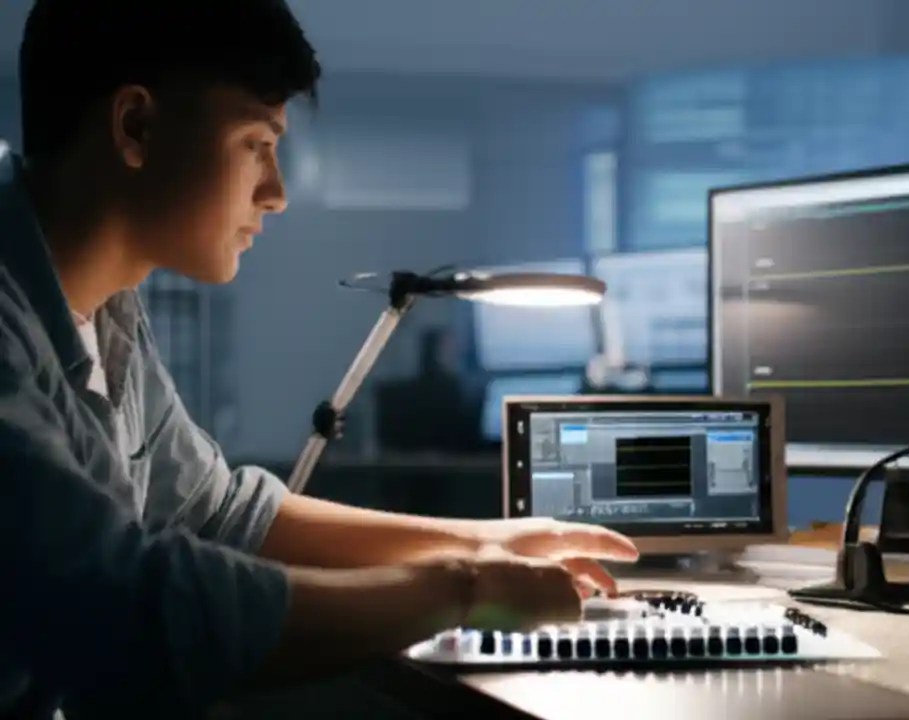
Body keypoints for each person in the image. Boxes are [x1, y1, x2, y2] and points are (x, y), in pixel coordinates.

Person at [0, 1, 638, 717]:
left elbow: (214, 512)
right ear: (136, 127)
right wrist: (465, 589)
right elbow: (119, 611)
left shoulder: (105, 305)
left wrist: (489, 541)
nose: (274, 194)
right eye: (256, 143)